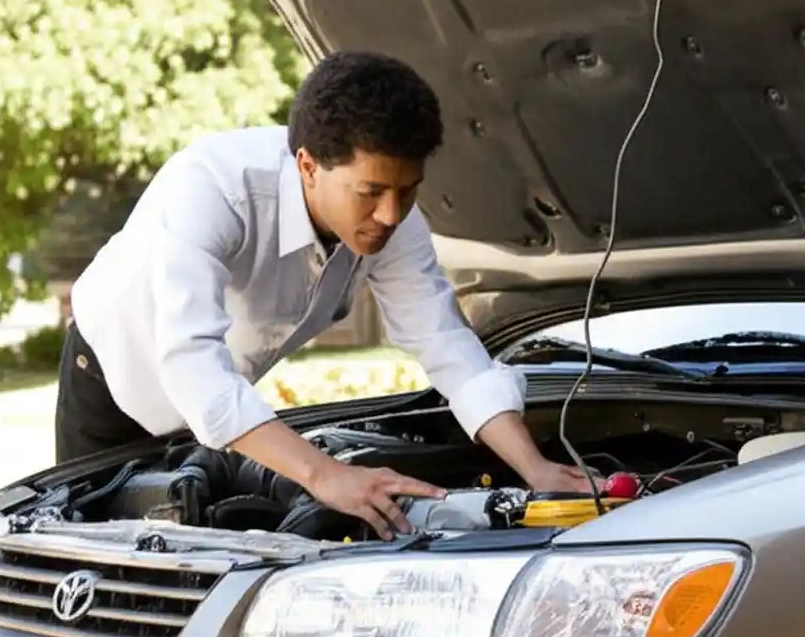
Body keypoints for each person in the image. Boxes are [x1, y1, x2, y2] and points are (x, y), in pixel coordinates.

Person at [55, 50, 593, 540]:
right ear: (308, 166)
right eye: (371, 192)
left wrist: (535, 469)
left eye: (407, 191)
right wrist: (327, 476)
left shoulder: (394, 224)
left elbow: (447, 345)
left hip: (226, 412)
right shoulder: (210, 188)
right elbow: (194, 369)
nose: (390, 214)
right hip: (111, 390)